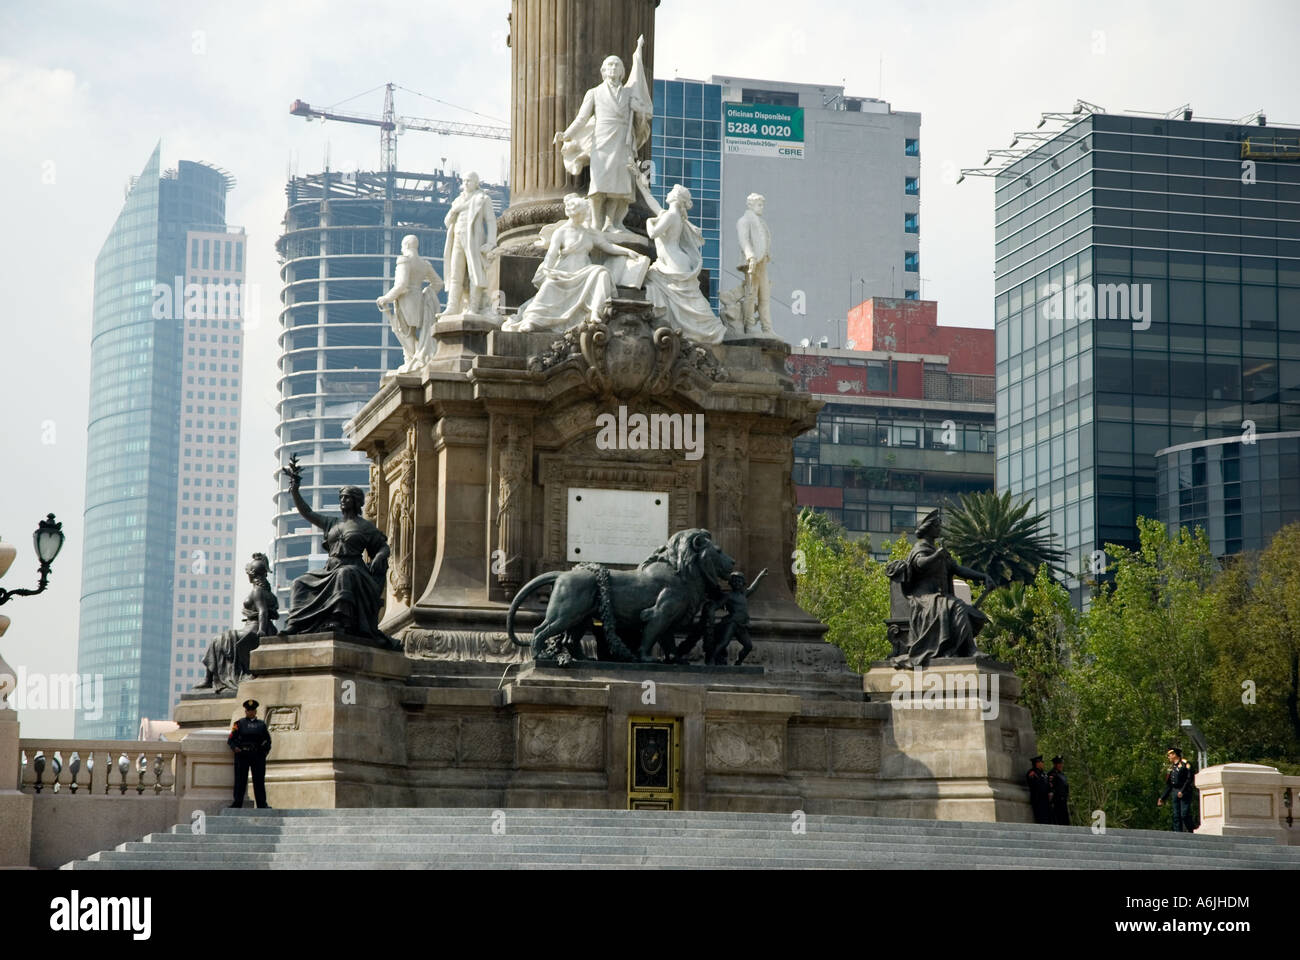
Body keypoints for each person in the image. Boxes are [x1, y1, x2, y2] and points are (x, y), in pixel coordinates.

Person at [279, 454, 396, 648]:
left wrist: (380, 556)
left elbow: (382, 546)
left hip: (354, 569)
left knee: (344, 574)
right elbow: (307, 512)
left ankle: (340, 619)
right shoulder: (331, 523)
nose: (343, 500)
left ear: (356, 501)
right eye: (341, 497)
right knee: (300, 583)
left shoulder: (365, 526)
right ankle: (295, 623)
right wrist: (295, 491)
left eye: (347, 497)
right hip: (330, 569)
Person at [504, 195, 647, 333]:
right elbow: (551, 255)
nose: (587, 215)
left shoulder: (589, 233)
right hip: (564, 271)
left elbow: (608, 247)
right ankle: (532, 320)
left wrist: (627, 252)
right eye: (585, 212)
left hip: (584, 270)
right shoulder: (561, 232)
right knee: (550, 285)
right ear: (576, 213)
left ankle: (595, 313)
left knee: (601, 272)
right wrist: (548, 270)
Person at [555, 36, 653, 233]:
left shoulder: (628, 94)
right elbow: (582, 118)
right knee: (599, 184)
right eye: (610, 65)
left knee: (620, 185)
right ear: (603, 71)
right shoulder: (594, 92)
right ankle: (596, 224)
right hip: (601, 140)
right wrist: (566, 134)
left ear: (623, 71)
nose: (613, 68)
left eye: (617, 65)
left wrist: (641, 109)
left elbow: (642, 114)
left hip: (622, 141)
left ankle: (613, 224)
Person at [885, 509, 995, 668]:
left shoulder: (939, 550)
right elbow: (919, 564)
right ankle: (970, 650)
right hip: (924, 598)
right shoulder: (920, 548)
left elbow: (959, 569)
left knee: (967, 611)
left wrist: (982, 576)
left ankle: (961, 648)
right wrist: (937, 555)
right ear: (928, 528)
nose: (939, 528)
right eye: (936, 525)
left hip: (938, 598)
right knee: (956, 606)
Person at [633, 171, 726, 344]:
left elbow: (652, 233)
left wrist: (648, 221)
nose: (667, 193)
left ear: (675, 197)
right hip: (676, 260)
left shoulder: (669, 216)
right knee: (686, 297)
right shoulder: (673, 215)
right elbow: (655, 206)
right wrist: (642, 187)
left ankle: (710, 328)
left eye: (670, 192)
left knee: (683, 297)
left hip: (673, 262)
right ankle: (703, 326)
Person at [194, 553, 278, 694]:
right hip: (262, 628)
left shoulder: (257, 591)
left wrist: (261, 633)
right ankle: (208, 680)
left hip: (253, 629)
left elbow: (263, 612)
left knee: (217, 641)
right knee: (221, 640)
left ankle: (208, 680)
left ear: (253, 574)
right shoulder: (270, 594)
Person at [376, 234, 442, 372]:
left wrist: (386, 298)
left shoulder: (404, 261)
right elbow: (438, 283)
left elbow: (401, 284)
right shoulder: (424, 264)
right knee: (411, 333)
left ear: (405, 245)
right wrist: (426, 294)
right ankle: (413, 359)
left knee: (404, 332)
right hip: (420, 300)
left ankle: (411, 360)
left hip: (406, 300)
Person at [442, 172, 498, 316]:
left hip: (474, 239)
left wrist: (491, 242)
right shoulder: (457, 201)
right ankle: (452, 307)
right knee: (455, 274)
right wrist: (454, 211)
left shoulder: (483, 199)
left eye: (469, 181)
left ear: (476, 183)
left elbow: (491, 221)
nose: (466, 183)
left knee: (475, 272)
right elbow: (447, 222)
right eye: (464, 181)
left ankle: (474, 307)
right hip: (457, 239)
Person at [736, 193, 773, 335]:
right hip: (752, 262)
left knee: (765, 296)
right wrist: (750, 256)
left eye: (762, 205)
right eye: (759, 205)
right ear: (750, 205)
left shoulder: (761, 223)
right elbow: (743, 240)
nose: (762, 208)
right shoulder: (744, 221)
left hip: (762, 262)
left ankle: (767, 329)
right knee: (751, 295)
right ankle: (749, 326)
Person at [228, 699, 272, 809]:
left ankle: (262, 804)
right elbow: (231, 740)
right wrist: (235, 748)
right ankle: (237, 803)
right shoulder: (238, 724)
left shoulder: (261, 725)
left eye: (252, 710)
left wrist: (263, 753)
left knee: (259, 781)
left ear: (255, 712)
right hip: (242, 755)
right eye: (248, 710)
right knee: (240, 780)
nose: (250, 712)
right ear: (245, 712)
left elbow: (268, 741)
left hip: (257, 756)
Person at [1158, 746, 1198, 832]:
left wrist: (1182, 791)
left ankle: (1193, 830)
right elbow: (1169, 785)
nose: (1168, 757)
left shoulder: (1185, 764)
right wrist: (1162, 798)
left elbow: (1189, 779)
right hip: (1175, 792)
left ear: (1175, 754)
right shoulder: (1171, 768)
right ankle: (1178, 833)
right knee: (1176, 815)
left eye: (1170, 755)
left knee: (1184, 814)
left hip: (1185, 791)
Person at [1026, 755, 1052, 825]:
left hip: (1045, 799)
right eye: (1042, 762)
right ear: (1037, 763)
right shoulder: (1032, 773)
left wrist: (1050, 792)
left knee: (1047, 818)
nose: (1043, 763)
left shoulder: (1044, 774)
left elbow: (1047, 785)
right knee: (1041, 818)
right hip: (1038, 798)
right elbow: (1034, 785)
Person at [1047, 755, 1070, 825]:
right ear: (1055, 764)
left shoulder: (1062, 774)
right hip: (1056, 801)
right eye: (1059, 764)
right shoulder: (1052, 774)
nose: (1061, 765)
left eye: (1061, 763)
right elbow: (1050, 788)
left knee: (1065, 820)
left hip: (1063, 800)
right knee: (1058, 820)